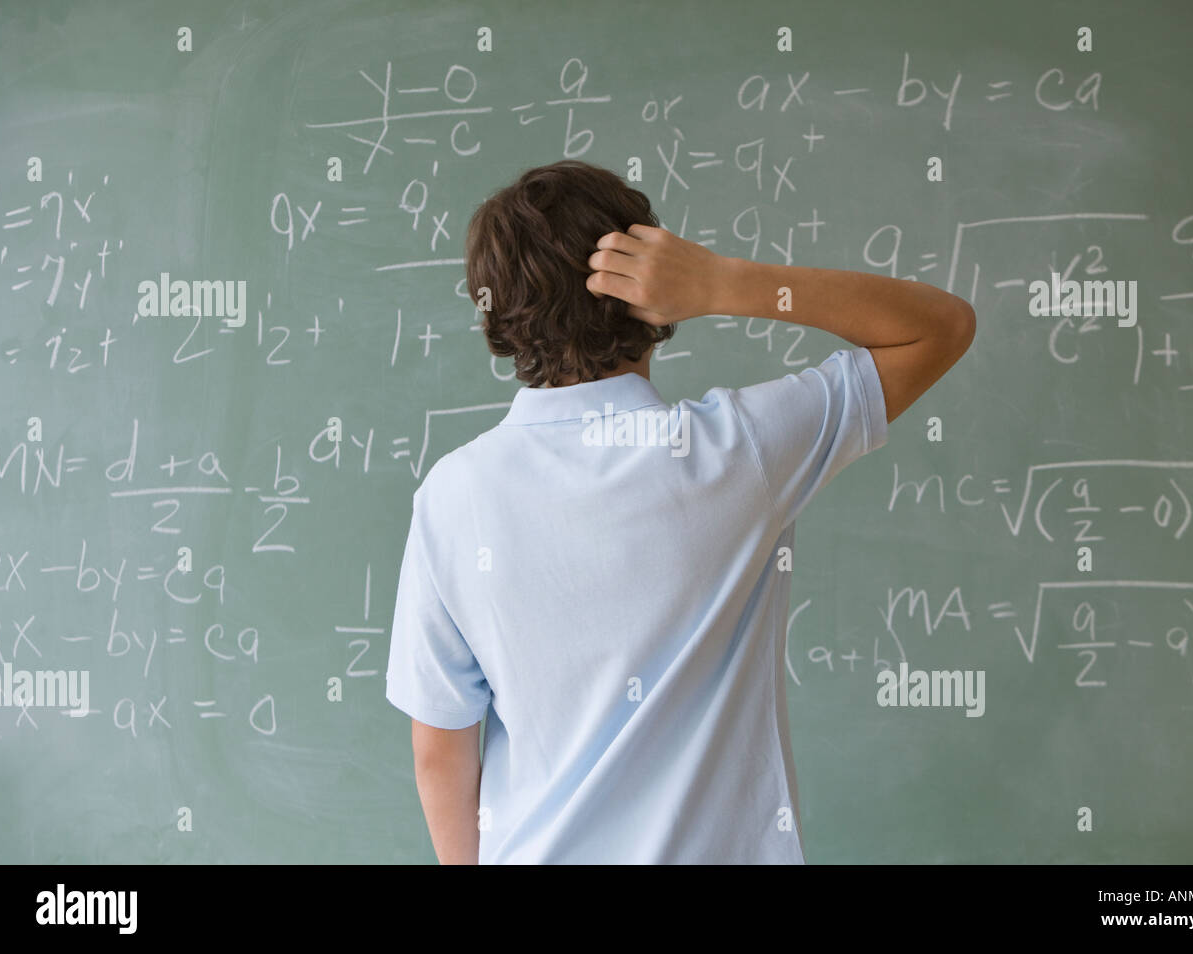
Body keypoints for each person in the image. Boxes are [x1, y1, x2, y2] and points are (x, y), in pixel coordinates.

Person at [385, 160, 975, 863]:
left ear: (499, 319)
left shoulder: (452, 497)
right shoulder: (740, 452)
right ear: (651, 290)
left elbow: (439, 750)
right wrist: (721, 282)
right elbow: (940, 327)